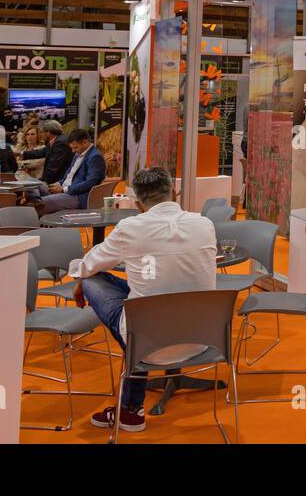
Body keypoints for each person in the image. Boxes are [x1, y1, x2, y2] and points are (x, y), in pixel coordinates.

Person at [70, 166, 216, 433]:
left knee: (93, 279)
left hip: (147, 341)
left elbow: (89, 264)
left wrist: (80, 279)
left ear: (138, 203)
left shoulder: (130, 228)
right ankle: (130, 408)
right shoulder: (204, 224)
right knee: (143, 297)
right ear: (174, 192)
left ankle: (130, 408)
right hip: (201, 339)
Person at [36, 128, 106, 213]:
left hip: (77, 196)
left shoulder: (95, 157)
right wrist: (59, 183)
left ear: (85, 142)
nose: (73, 151)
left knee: (38, 203)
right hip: (65, 189)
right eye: (72, 148)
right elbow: (69, 176)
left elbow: (90, 183)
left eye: (75, 147)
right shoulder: (78, 153)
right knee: (34, 187)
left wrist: (64, 189)